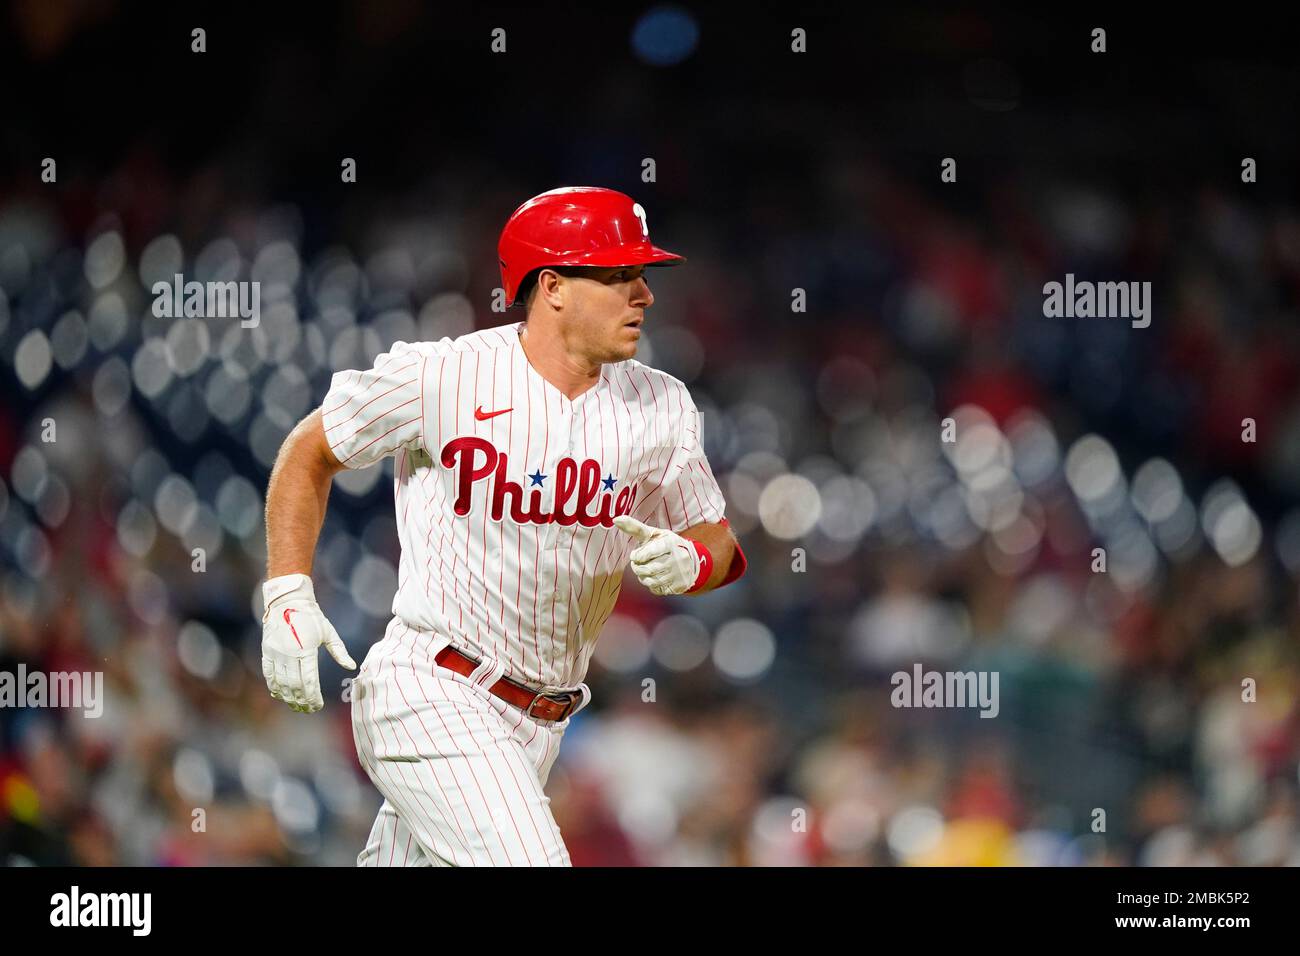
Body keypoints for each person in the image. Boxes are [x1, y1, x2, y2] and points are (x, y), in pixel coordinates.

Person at [259, 186, 746, 866]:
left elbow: (717, 541)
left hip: (540, 724)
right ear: (551, 287)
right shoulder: (443, 376)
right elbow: (310, 450)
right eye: (618, 276)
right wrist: (287, 590)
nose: (644, 294)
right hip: (430, 688)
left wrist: (692, 562)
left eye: (642, 275)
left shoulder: (661, 404)